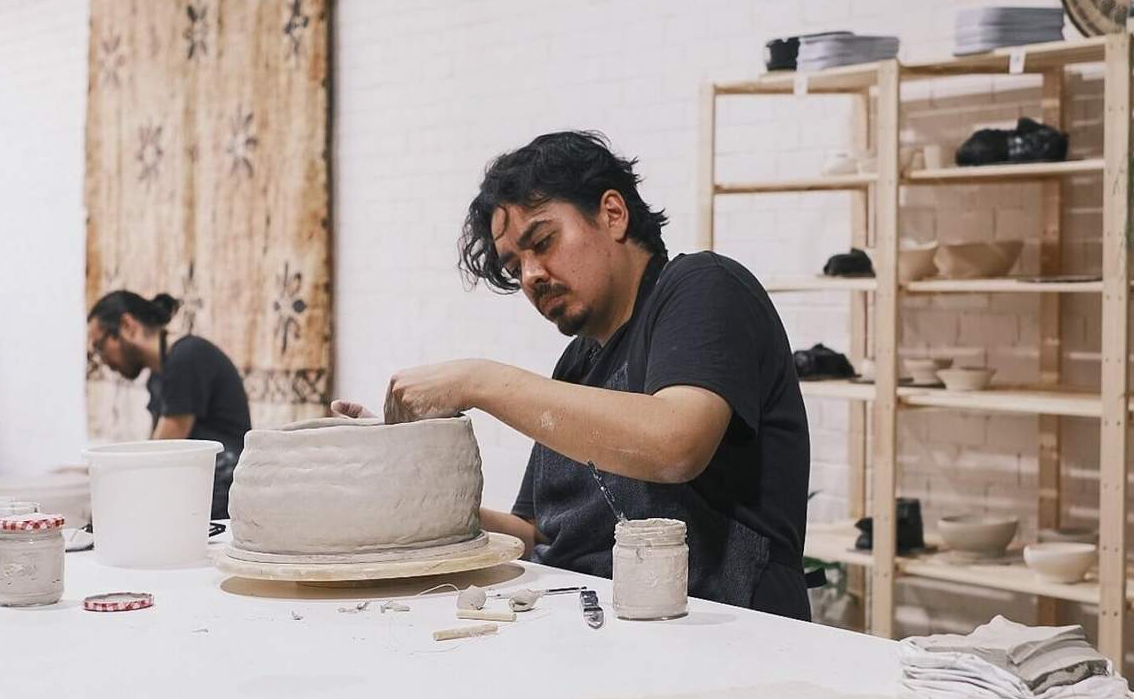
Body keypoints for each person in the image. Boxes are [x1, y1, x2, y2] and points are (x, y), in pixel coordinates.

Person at [336, 131, 812, 620]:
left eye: (542, 242)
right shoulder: (578, 363)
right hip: (600, 624)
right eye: (514, 265)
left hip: (723, 629)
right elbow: (537, 532)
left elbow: (676, 442)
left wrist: (478, 380)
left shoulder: (703, 288)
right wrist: (406, 483)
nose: (530, 276)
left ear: (613, 213)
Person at [87, 291, 252, 519]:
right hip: (199, 490)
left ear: (127, 326)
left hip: (225, 494)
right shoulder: (158, 376)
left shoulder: (187, 356)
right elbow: (156, 451)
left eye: (100, 347)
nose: (102, 359)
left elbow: (162, 454)